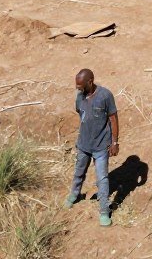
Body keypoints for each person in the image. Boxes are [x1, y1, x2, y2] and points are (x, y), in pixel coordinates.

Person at [64, 68, 118, 227]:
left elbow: (113, 118)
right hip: (83, 145)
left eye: (80, 85)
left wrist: (114, 142)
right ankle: (74, 195)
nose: (77, 89)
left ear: (90, 81)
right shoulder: (80, 97)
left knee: (102, 179)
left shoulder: (105, 96)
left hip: (101, 146)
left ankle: (103, 211)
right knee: (79, 172)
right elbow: (81, 114)